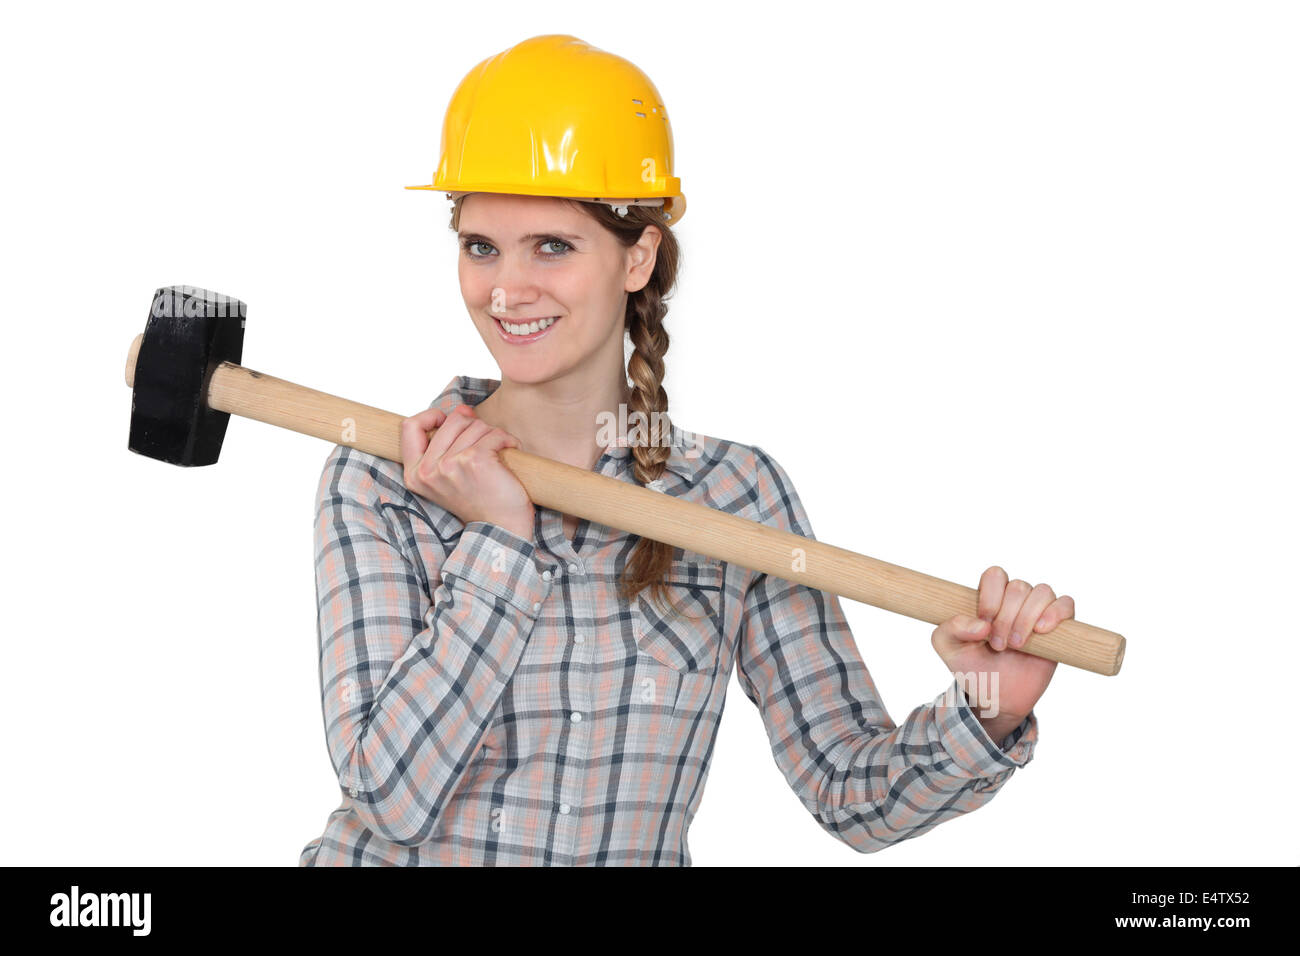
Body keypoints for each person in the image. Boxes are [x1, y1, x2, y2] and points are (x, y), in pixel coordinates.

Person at [297, 34, 1074, 866]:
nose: (504, 290)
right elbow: (387, 794)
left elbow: (852, 792)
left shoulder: (733, 494)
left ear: (639, 256)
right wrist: (495, 540)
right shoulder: (384, 476)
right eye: (480, 245)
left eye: (552, 246)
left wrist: (989, 704)